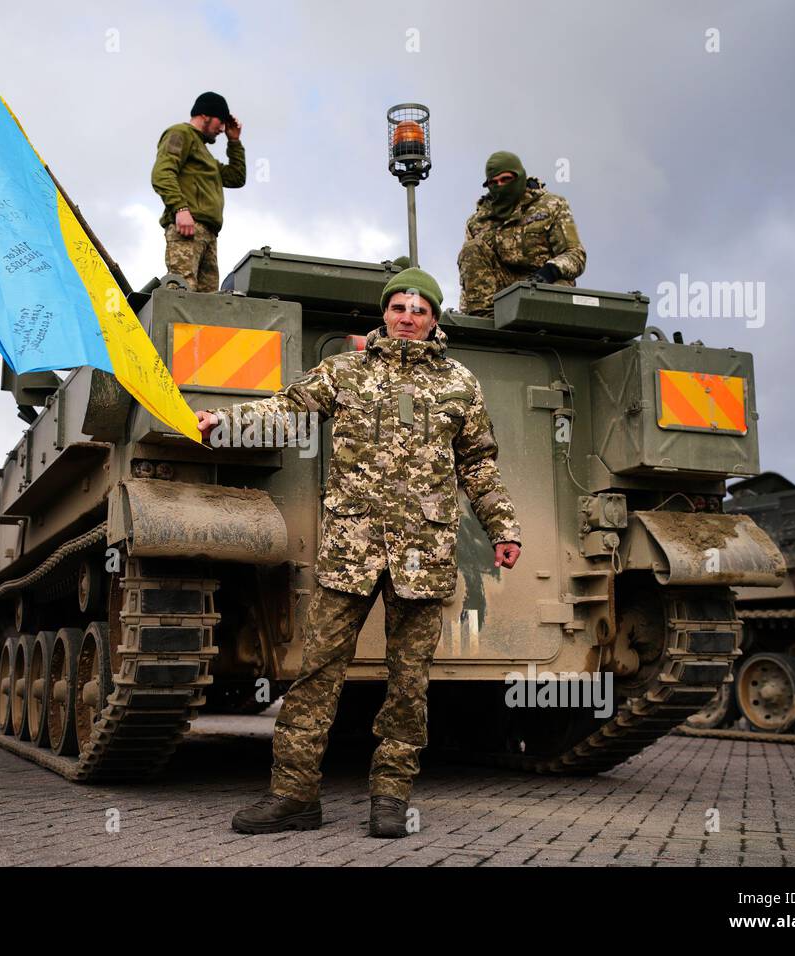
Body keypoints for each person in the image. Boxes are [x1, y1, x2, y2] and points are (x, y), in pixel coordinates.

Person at [198, 267, 522, 838]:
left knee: (409, 683)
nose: (407, 316)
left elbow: (479, 463)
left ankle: (390, 801)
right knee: (316, 675)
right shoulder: (346, 372)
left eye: (419, 309)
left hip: (424, 556)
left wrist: (504, 528)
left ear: (434, 320)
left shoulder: (459, 384)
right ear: (384, 313)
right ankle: (295, 798)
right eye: (398, 306)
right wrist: (226, 423)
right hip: (351, 551)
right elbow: (286, 409)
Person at [456, 150, 586, 316]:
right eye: (494, 182)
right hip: (501, 294)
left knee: (554, 296)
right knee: (471, 248)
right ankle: (486, 323)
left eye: (506, 179)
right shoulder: (478, 222)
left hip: (545, 286)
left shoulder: (551, 205)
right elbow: (470, 276)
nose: (501, 186)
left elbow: (576, 255)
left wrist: (549, 271)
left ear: (520, 177)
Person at [150, 91, 246, 293]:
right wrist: (180, 208)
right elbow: (162, 173)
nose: (222, 128)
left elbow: (236, 178)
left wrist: (234, 141)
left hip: (209, 234)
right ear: (206, 115)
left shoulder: (205, 155)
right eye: (221, 121)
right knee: (182, 293)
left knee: (207, 304)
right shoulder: (180, 133)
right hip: (188, 229)